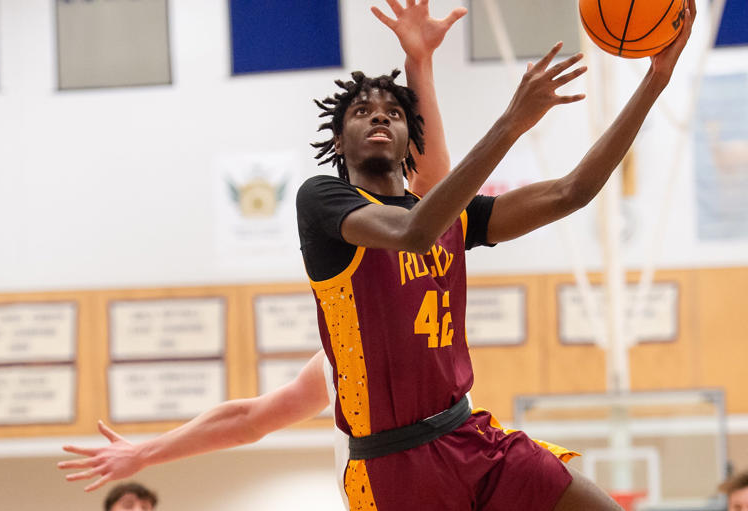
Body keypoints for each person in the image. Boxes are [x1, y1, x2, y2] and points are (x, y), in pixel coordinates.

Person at [294, 0, 695, 509]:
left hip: (470, 437)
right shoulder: (323, 200)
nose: (379, 116)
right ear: (338, 139)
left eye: (394, 113)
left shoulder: (454, 218)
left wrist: (656, 79)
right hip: (393, 465)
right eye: (362, 111)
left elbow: (571, 192)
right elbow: (414, 231)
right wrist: (510, 123)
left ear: (409, 137)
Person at [58, 0, 464, 494]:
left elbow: (432, 193)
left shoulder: (421, 302)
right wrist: (144, 452)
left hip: (451, 466)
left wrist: (420, 63)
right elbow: (249, 419)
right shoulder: (344, 354)